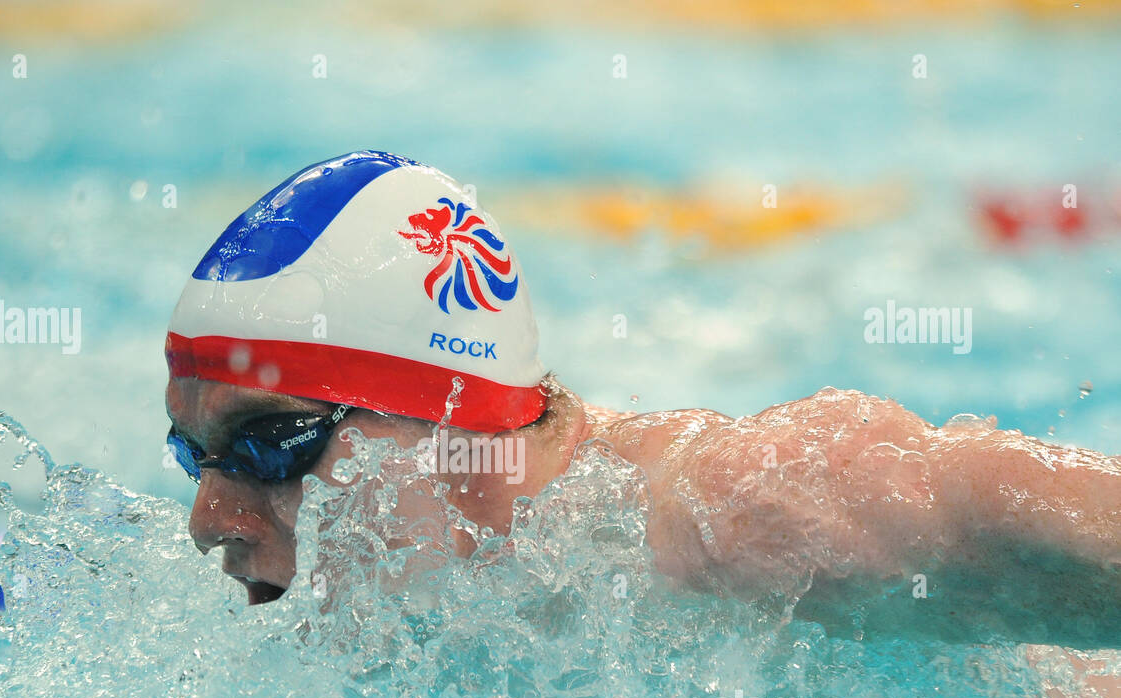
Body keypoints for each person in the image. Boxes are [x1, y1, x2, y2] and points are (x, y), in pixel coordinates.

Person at [165, 151, 1121, 648]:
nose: (209, 519)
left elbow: (987, 501)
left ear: (454, 421)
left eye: (270, 445)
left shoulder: (723, 516)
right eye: (195, 455)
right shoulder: (420, 617)